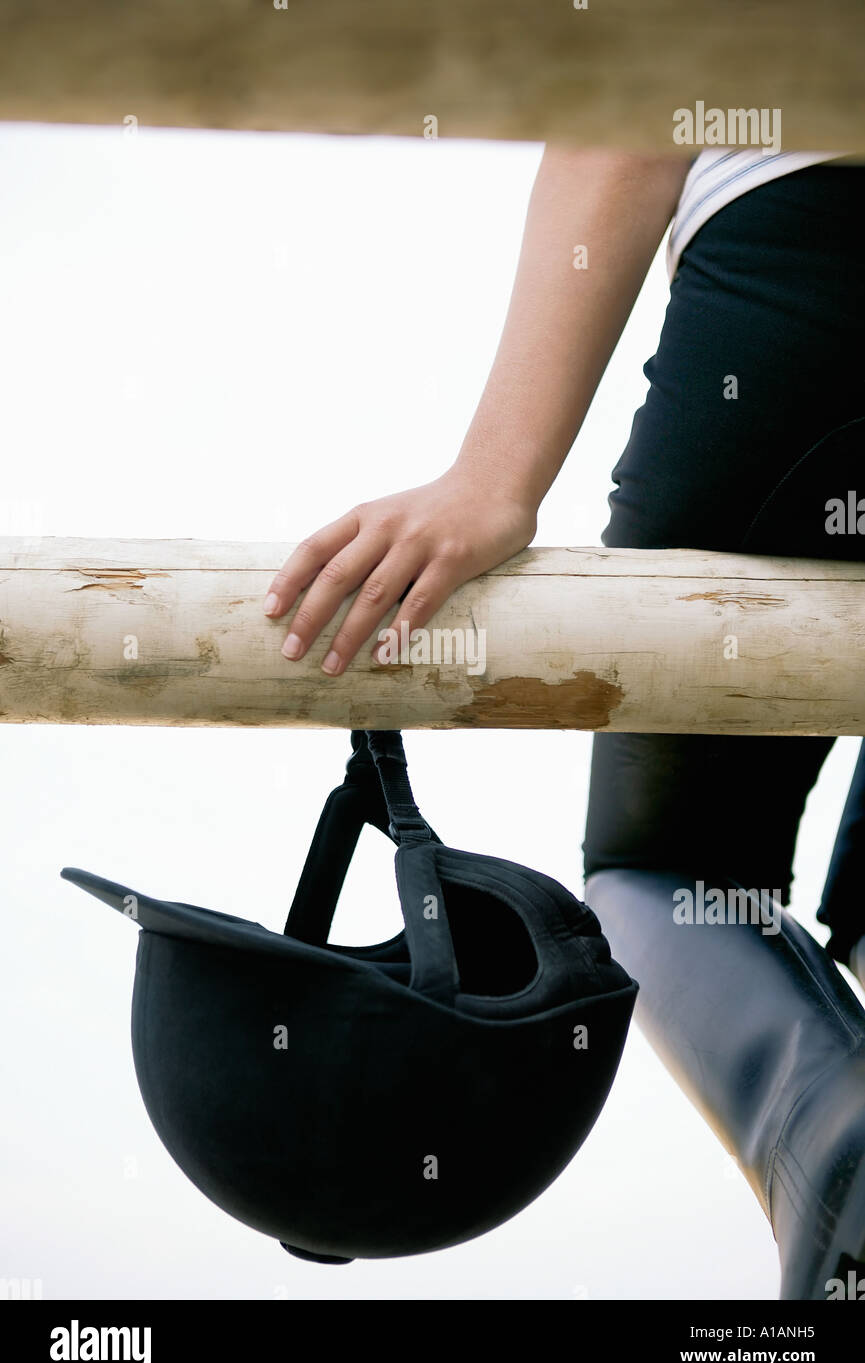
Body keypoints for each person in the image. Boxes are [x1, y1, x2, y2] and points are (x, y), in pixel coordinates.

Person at [263, 145, 865, 1299]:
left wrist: (494, 475)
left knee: (663, 868)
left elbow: (627, 114)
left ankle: (834, 1137)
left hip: (802, 294)